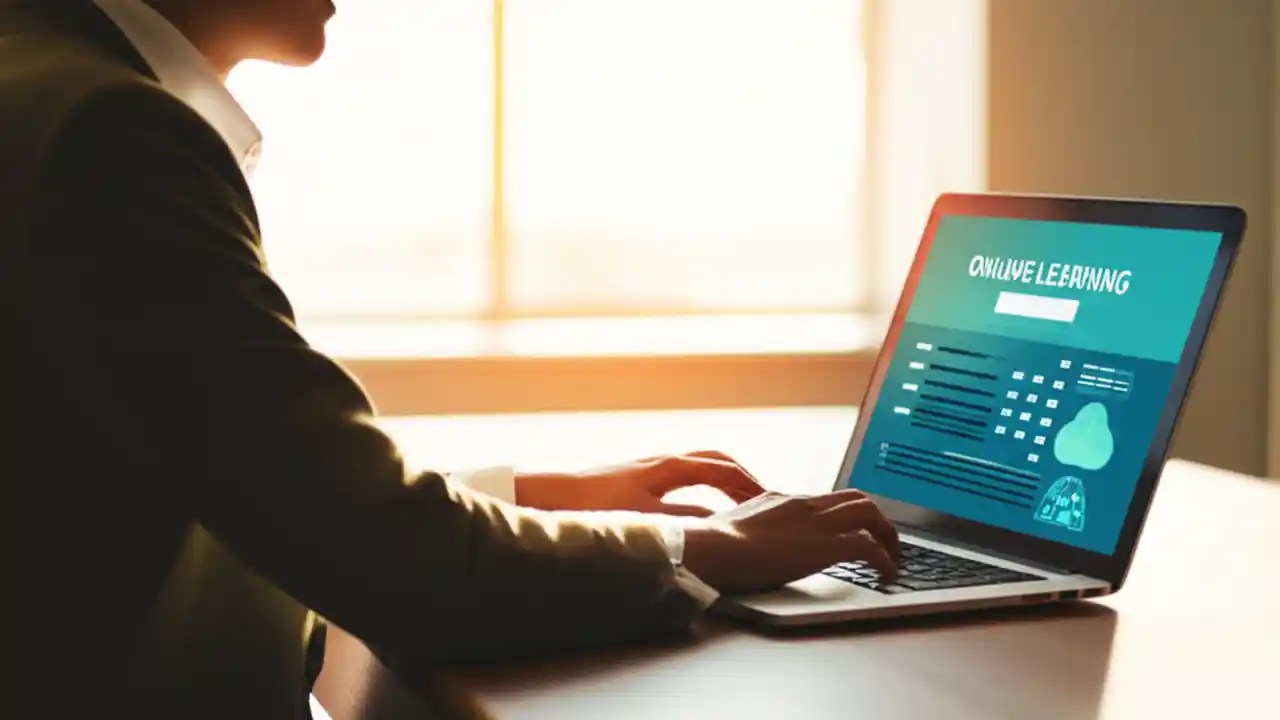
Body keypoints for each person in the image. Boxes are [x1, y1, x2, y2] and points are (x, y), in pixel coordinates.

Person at [1, 1, 900, 717]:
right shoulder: (111, 134)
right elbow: (378, 553)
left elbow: (259, 482)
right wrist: (709, 546)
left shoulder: (42, 82)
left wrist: (529, 496)